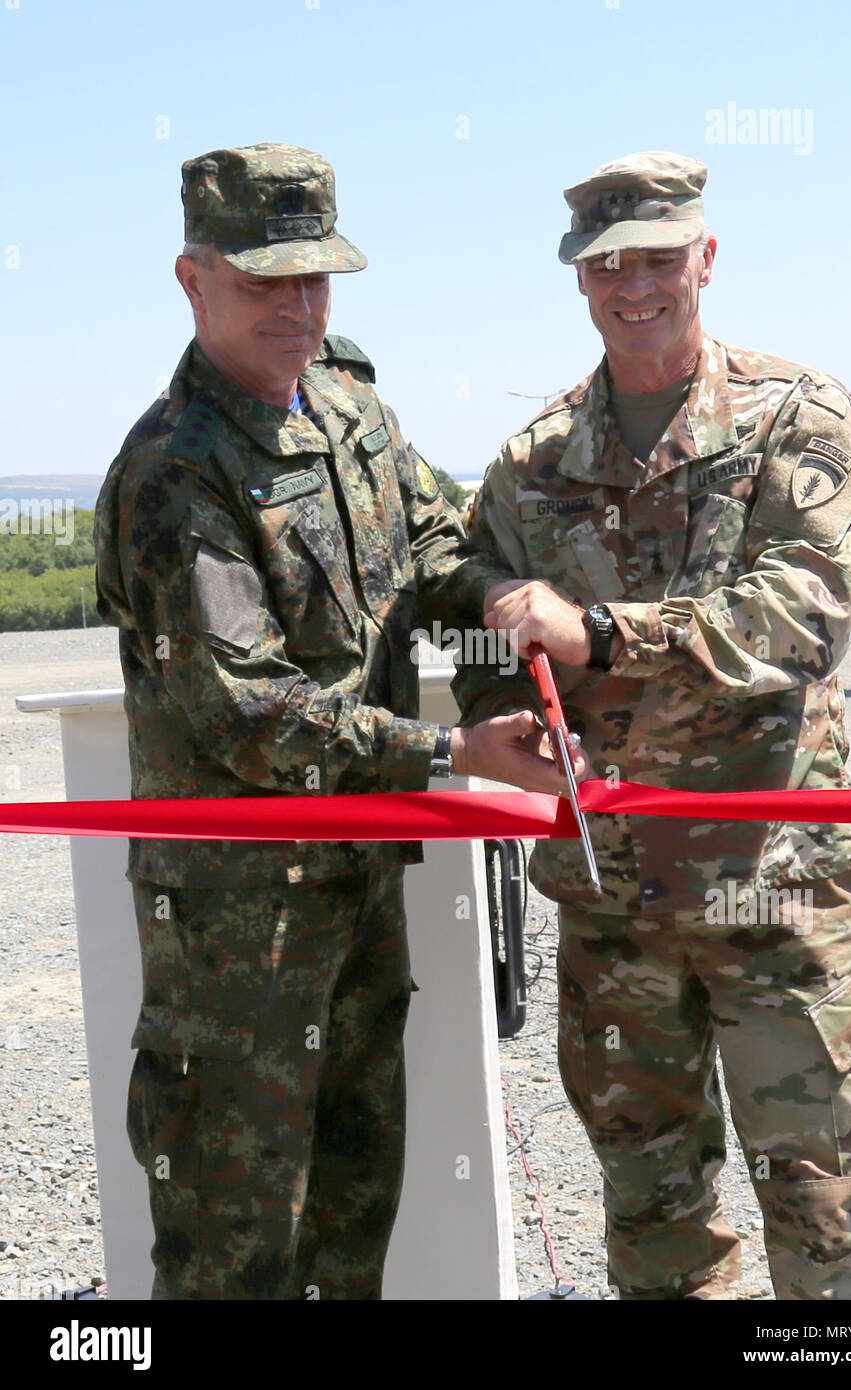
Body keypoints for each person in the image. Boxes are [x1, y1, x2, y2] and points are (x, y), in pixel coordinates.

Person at [93, 142, 578, 1301]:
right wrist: (452, 752)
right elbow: (243, 707)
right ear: (192, 278)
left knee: (354, 1223)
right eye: (265, 280)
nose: (298, 307)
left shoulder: (355, 414)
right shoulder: (173, 470)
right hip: (236, 931)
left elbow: (435, 544)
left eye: (316, 279)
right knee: (233, 1248)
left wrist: (501, 601)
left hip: (357, 888)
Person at [452, 151, 851, 1300]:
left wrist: (600, 632)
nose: (634, 284)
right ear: (580, 281)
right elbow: (478, 619)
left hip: (777, 893)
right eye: (608, 265)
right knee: (652, 1215)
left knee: (828, 1207)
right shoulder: (528, 463)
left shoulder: (798, 415)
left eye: (658, 257)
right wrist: (501, 699)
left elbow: (802, 613)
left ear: (705, 257)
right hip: (615, 914)